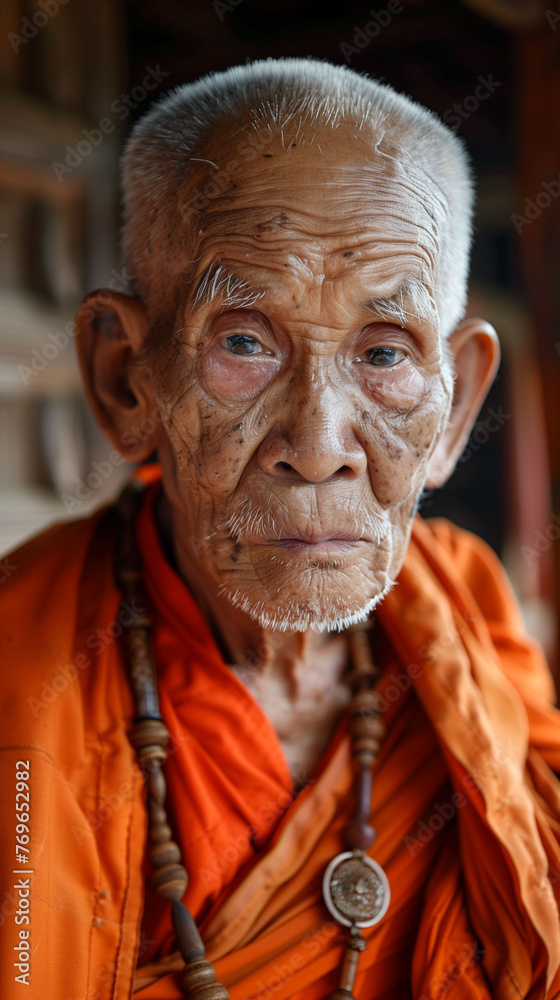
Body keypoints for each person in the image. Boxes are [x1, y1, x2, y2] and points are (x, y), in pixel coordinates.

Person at [1, 57, 560, 1000]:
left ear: (457, 408)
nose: (318, 444)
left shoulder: (473, 628)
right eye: (244, 342)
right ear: (125, 379)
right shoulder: (22, 661)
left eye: (384, 354)